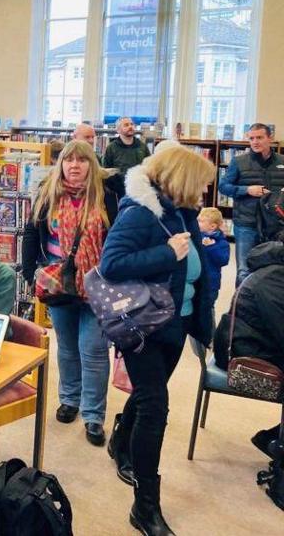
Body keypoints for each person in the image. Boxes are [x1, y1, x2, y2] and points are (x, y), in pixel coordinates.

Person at [99, 146, 215, 535]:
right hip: (144, 326)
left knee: (149, 395)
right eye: (198, 185)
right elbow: (110, 264)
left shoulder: (183, 212)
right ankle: (145, 507)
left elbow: (196, 267)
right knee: (156, 409)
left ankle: (120, 440)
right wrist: (165, 253)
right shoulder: (139, 213)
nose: (202, 194)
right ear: (180, 180)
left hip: (176, 323)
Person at [22, 140, 121, 447]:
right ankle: (70, 399)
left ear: (92, 164)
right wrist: (29, 272)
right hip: (58, 281)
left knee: (92, 349)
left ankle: (93, 415)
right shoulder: (47, 191)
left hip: (98, 281)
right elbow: (30, 232)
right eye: (68, 160)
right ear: (61, 164)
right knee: (66, 346)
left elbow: (119, 237)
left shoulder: (108, 196)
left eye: (82, 160)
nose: (74, 166)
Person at [212, 240, 284, 460]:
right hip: (243, 352)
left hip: (249, 343)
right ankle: (276, 443)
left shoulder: (274, 271)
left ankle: (274, 439)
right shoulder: (274, 280)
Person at [216, 123, 284, 285]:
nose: (255, 142)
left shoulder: (282, 161)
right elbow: (223, 186)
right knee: (244, 271)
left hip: (275, 226)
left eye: (259, 137)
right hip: (246, 224)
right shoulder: (238, 161)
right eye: (251, 138)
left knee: (273, 271)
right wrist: (247, 190)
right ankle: (239, 308)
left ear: (270, 138)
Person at [197, 207, 230, 302]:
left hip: (210, 284)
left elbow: (223, 260)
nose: (197, 223)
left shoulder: (222, 243)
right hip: (198, 281)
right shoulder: (197, 236)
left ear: (212, 226)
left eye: (200, 221)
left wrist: (211, 247)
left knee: (208, 308)